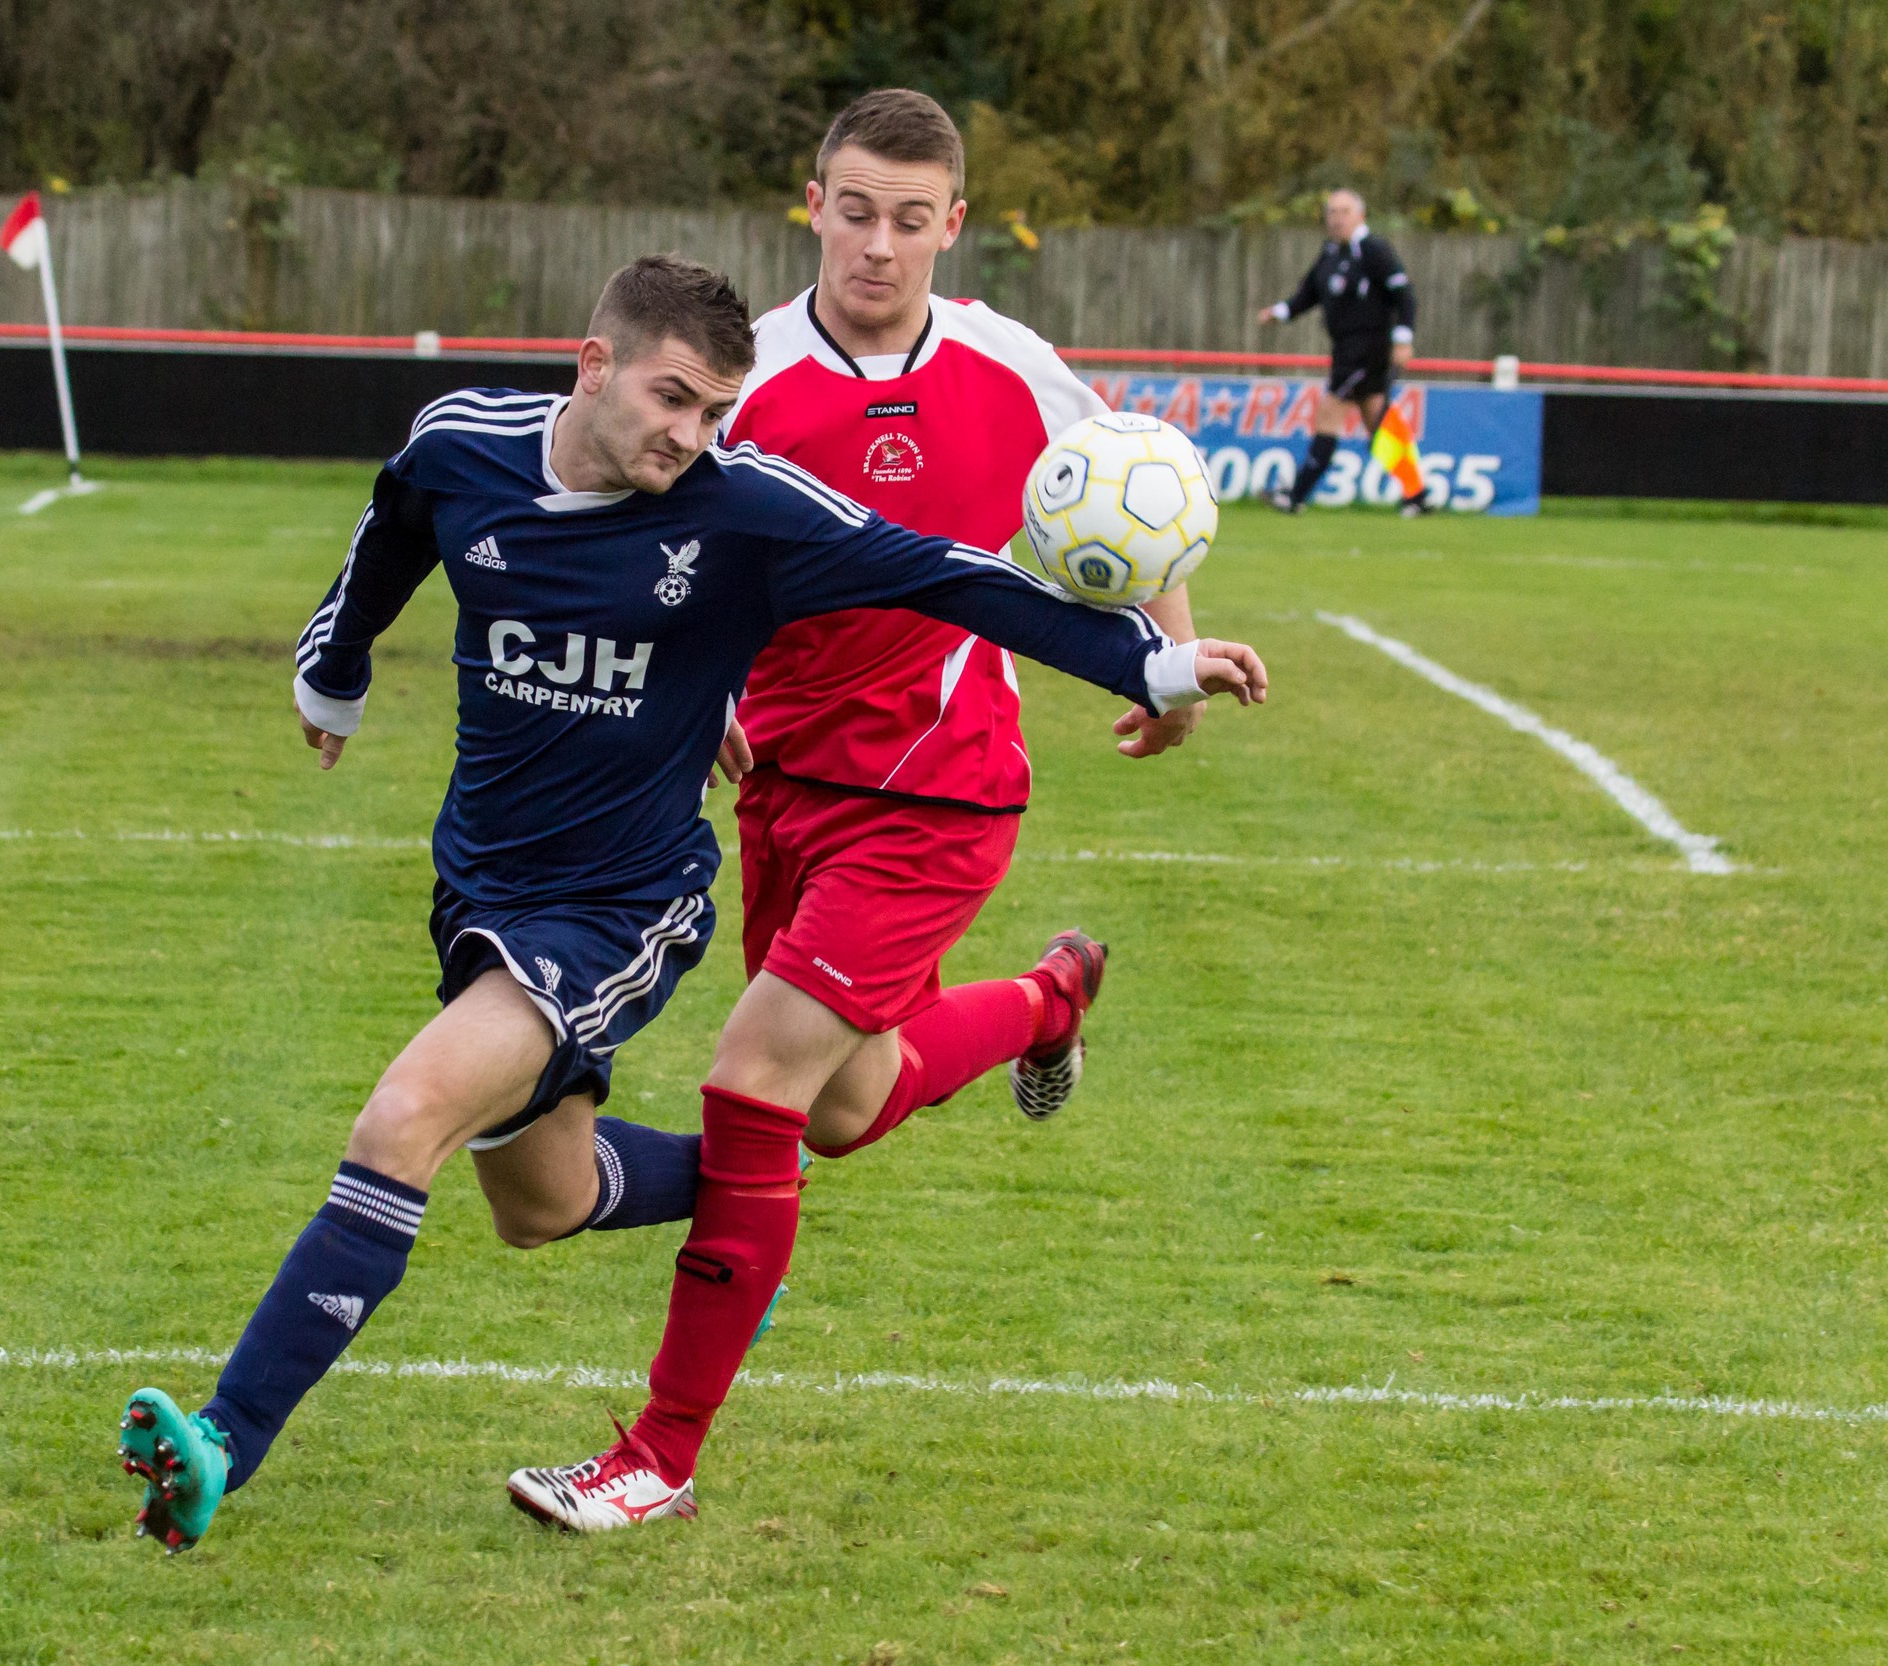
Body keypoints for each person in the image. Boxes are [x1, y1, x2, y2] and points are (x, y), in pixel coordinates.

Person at [113, 255, 1267, 1554]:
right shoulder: (466, 445)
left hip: (619, 905)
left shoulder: (741, 506)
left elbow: (945, 575)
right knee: (541, 1202)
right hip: (481, 888)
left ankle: (218, 1438)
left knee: (406, 1114)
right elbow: (395, 523)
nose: (689, 435)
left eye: (716, 410)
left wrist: (1154, 657)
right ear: (594, 364)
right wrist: (334, 668)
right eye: (670, 398)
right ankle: (749, 1211)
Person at [502, 89, 1224, 1533]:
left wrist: (1171, 655)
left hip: (943, 787)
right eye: (854, 210)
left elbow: (1134, 496)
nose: (879, 245)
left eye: (911, 219)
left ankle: (659, 1452)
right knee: (835, 1108)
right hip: (787, 786)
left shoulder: (1012, 368)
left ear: (952, 224)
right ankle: (1047, 999)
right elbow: (661, 544)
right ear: (812, 203)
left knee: (754, 1079)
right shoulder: (746, 369)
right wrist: (697, 695)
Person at [1255, 188, 1425, 515]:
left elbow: (1405, 297)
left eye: (1344, 211)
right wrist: (1279, 312)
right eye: (1331, 212)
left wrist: (1403, 339)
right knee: (1378, 420)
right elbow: (1308, 293)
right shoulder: (1331, 252)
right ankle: (1416, 494)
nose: (1336, 218)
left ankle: (1296, 496)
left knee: (1329, 412)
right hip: (1345, 350)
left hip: (1369, 349)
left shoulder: (1374, 251)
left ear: (1360, 215)